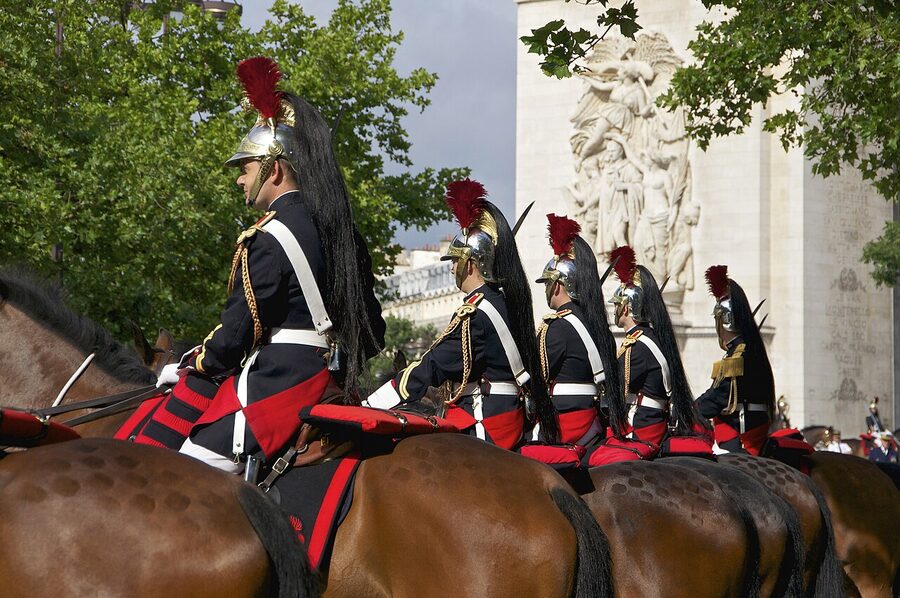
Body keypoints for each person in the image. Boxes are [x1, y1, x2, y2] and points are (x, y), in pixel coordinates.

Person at [125, 57, 385, 474]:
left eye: (245, 169)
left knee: (185, 472)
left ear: (275, 169)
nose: (239, 180)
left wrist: (192, 364)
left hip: (279, 387)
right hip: (337, 385)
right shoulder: (343, 233)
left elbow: (234, 337)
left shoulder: (268, 237)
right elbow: (375, 332)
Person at [366, 179, 559, 450]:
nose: (451, 268)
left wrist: (373, 403)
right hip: (507, 412)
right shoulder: (504, 304)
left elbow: (432, 366)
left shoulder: (476, 315)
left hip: (483, 419)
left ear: (470, 263)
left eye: (455, 260)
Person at [532, 214, 626, 447]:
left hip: (565, 427)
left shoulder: (558, 327)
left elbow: (535, 379)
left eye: (547, 283)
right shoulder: (597, 327)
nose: (546, 289)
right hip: (593, 424)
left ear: (558, 284)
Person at [607, 245, 695, 446]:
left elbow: (615, 389)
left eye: (616, 304)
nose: (614, 309)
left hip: (642, 428)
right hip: (649, 422)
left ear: (626, 307)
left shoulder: (638, 346)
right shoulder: (650, 338)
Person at [694, 265, 773, 455]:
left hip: (741, 434)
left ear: (725, 321)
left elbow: (720, 397)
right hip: (734, 427)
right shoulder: (739, 351)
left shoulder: (740, 355)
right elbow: (716, 392)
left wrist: (687, 410)